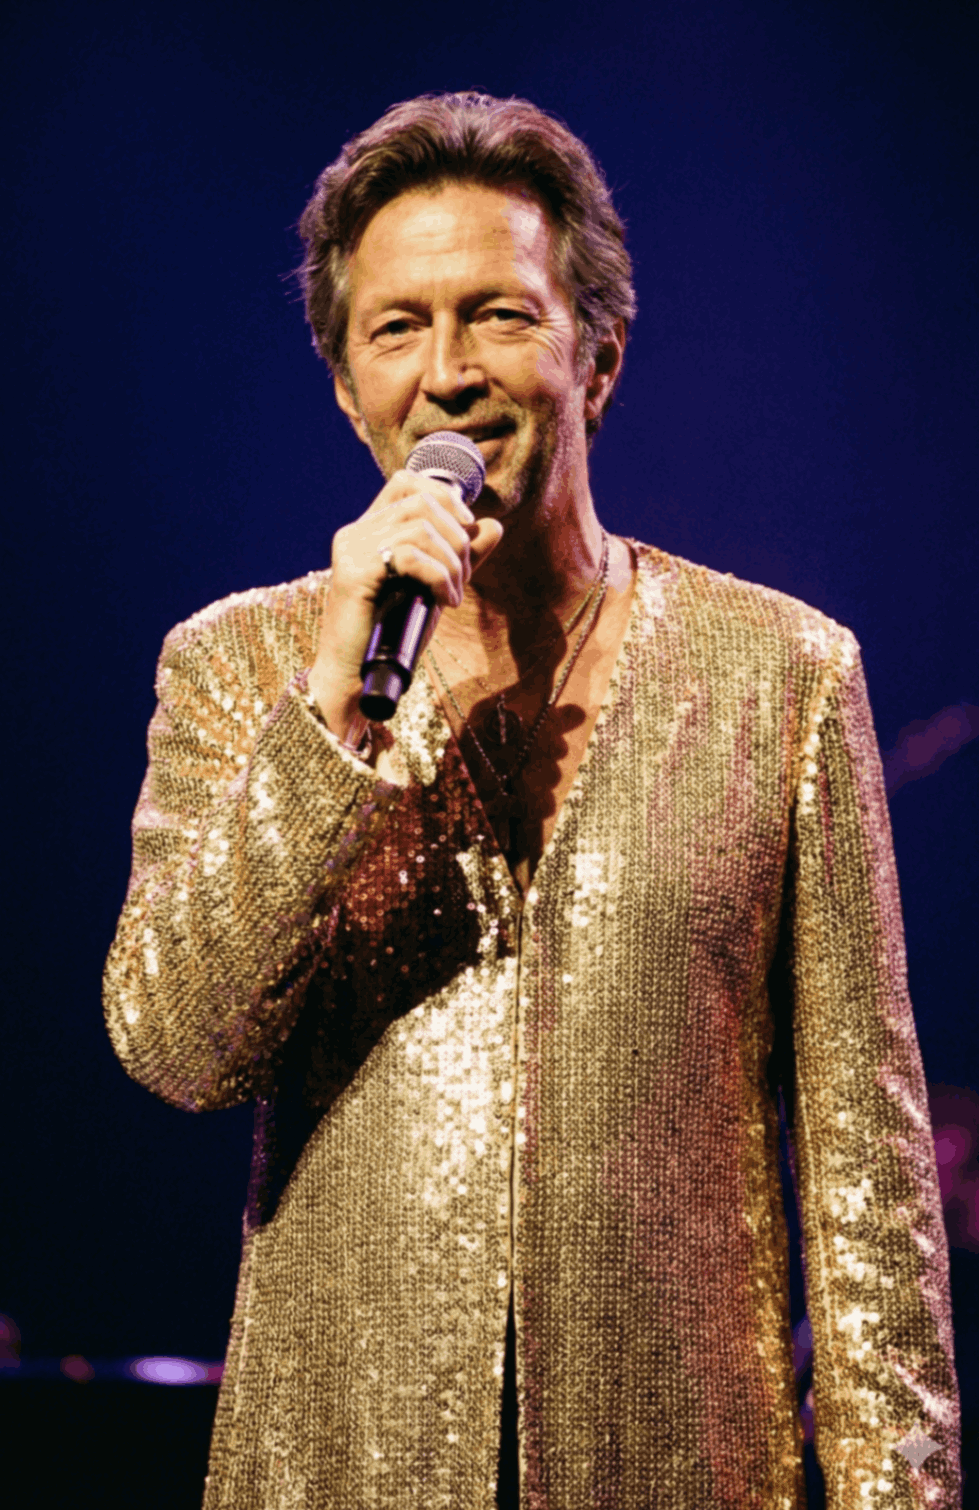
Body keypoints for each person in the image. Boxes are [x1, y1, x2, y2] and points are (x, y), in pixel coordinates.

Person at [103, 92, 961, 1508]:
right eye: (396, 328)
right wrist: (332, 719)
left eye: (498, 316)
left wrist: (904, 1490)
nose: (447, 374)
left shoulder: (783, 675)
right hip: (340, 1467)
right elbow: (177, 1044)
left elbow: (870, 1184)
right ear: (346, 387)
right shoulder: (238, 666)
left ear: (596, 357)